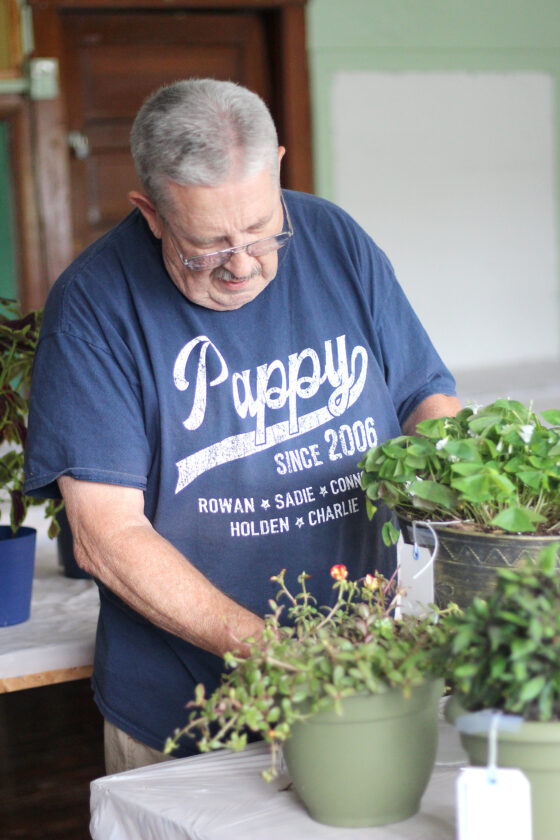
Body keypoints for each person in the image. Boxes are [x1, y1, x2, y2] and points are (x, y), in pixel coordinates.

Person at [24, 78, 460, 773]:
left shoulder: (335, 239)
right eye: (207, 245)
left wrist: (477, 514)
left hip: (363, 681)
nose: (243, 264)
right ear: (151, 212)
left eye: (261, 230)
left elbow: (423, 398)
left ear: (279, 168)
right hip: (188, 717)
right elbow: (108, 537)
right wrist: (284, 658)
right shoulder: (95, 308)